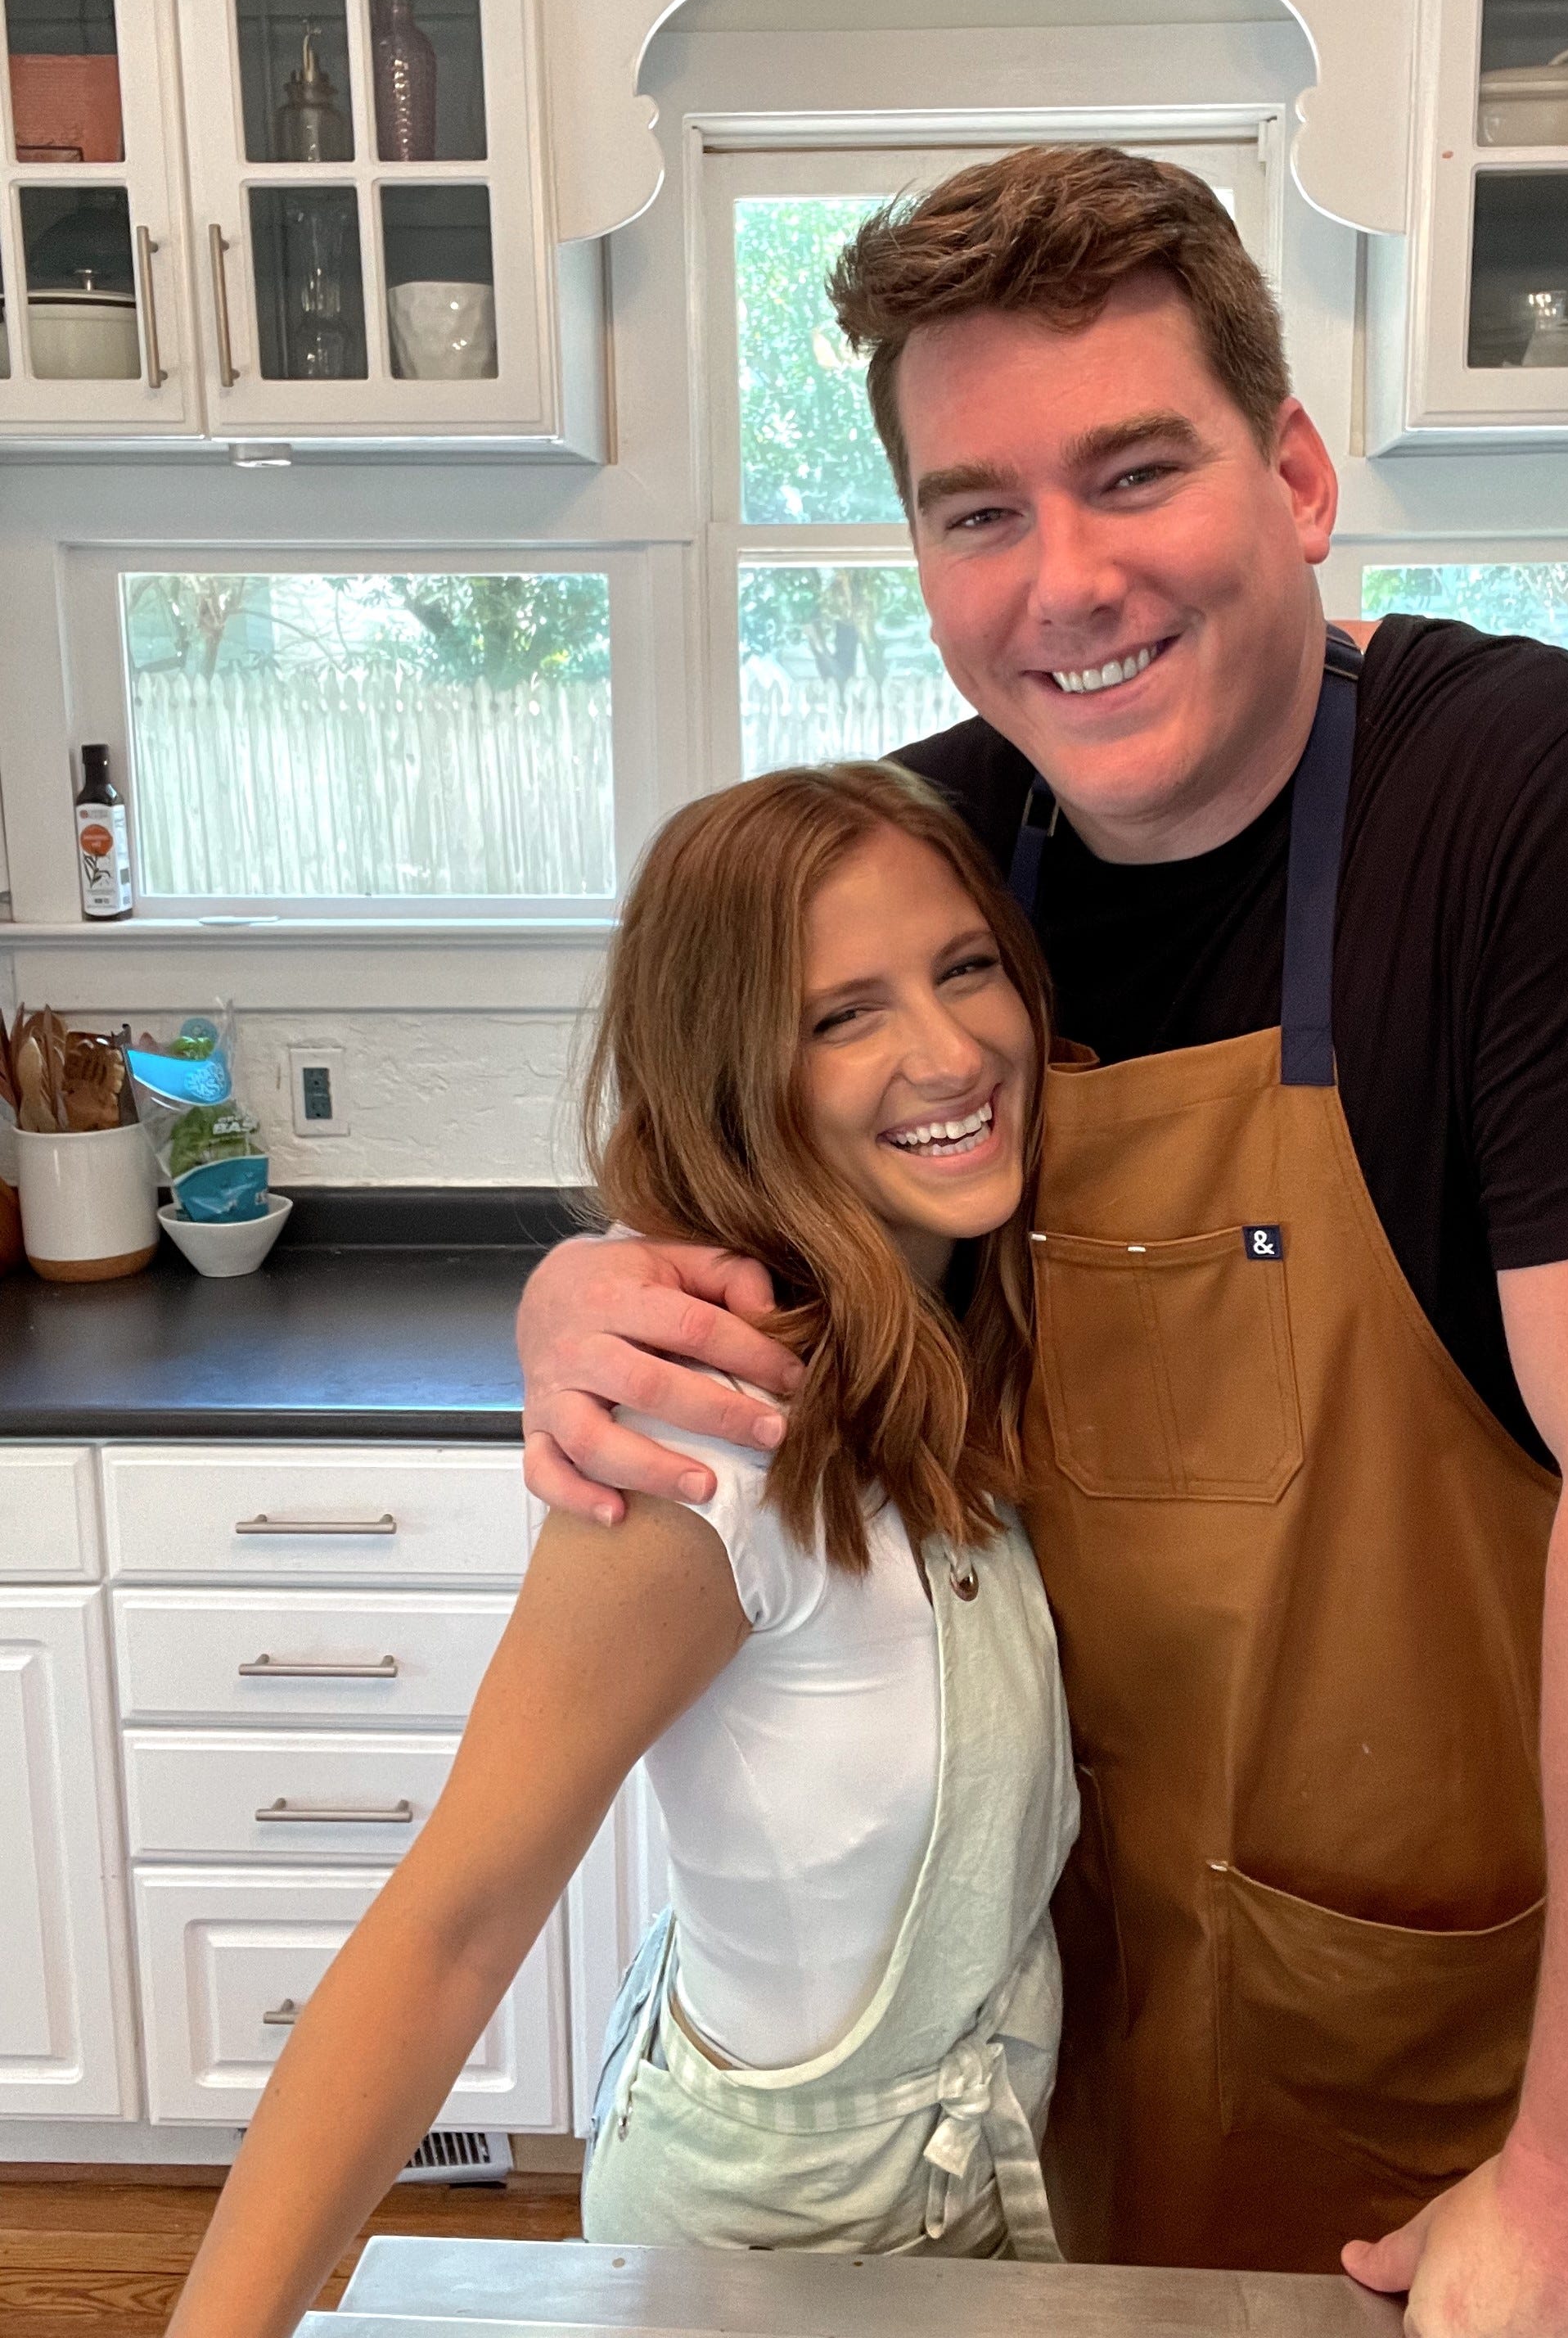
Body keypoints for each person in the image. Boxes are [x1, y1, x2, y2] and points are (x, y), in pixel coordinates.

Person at [515, 148, 1568, 2335]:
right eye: (978, 511)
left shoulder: (1548, 815)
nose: (1068, 582)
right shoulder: (930, 861)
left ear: (1292, 474)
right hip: (1010, 2089)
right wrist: (582, 1290)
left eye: (1135, 472)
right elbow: (715, 1190)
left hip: (1427, 2108)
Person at [166, 765, 1079, 2338]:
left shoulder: (981, 1346)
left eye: (966, 967)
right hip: (756, 2255)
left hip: (983, 2196)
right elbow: (452, 1927)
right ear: (732, 1078)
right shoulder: (711, 1447)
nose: (948, 1052)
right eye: (841, 1016)